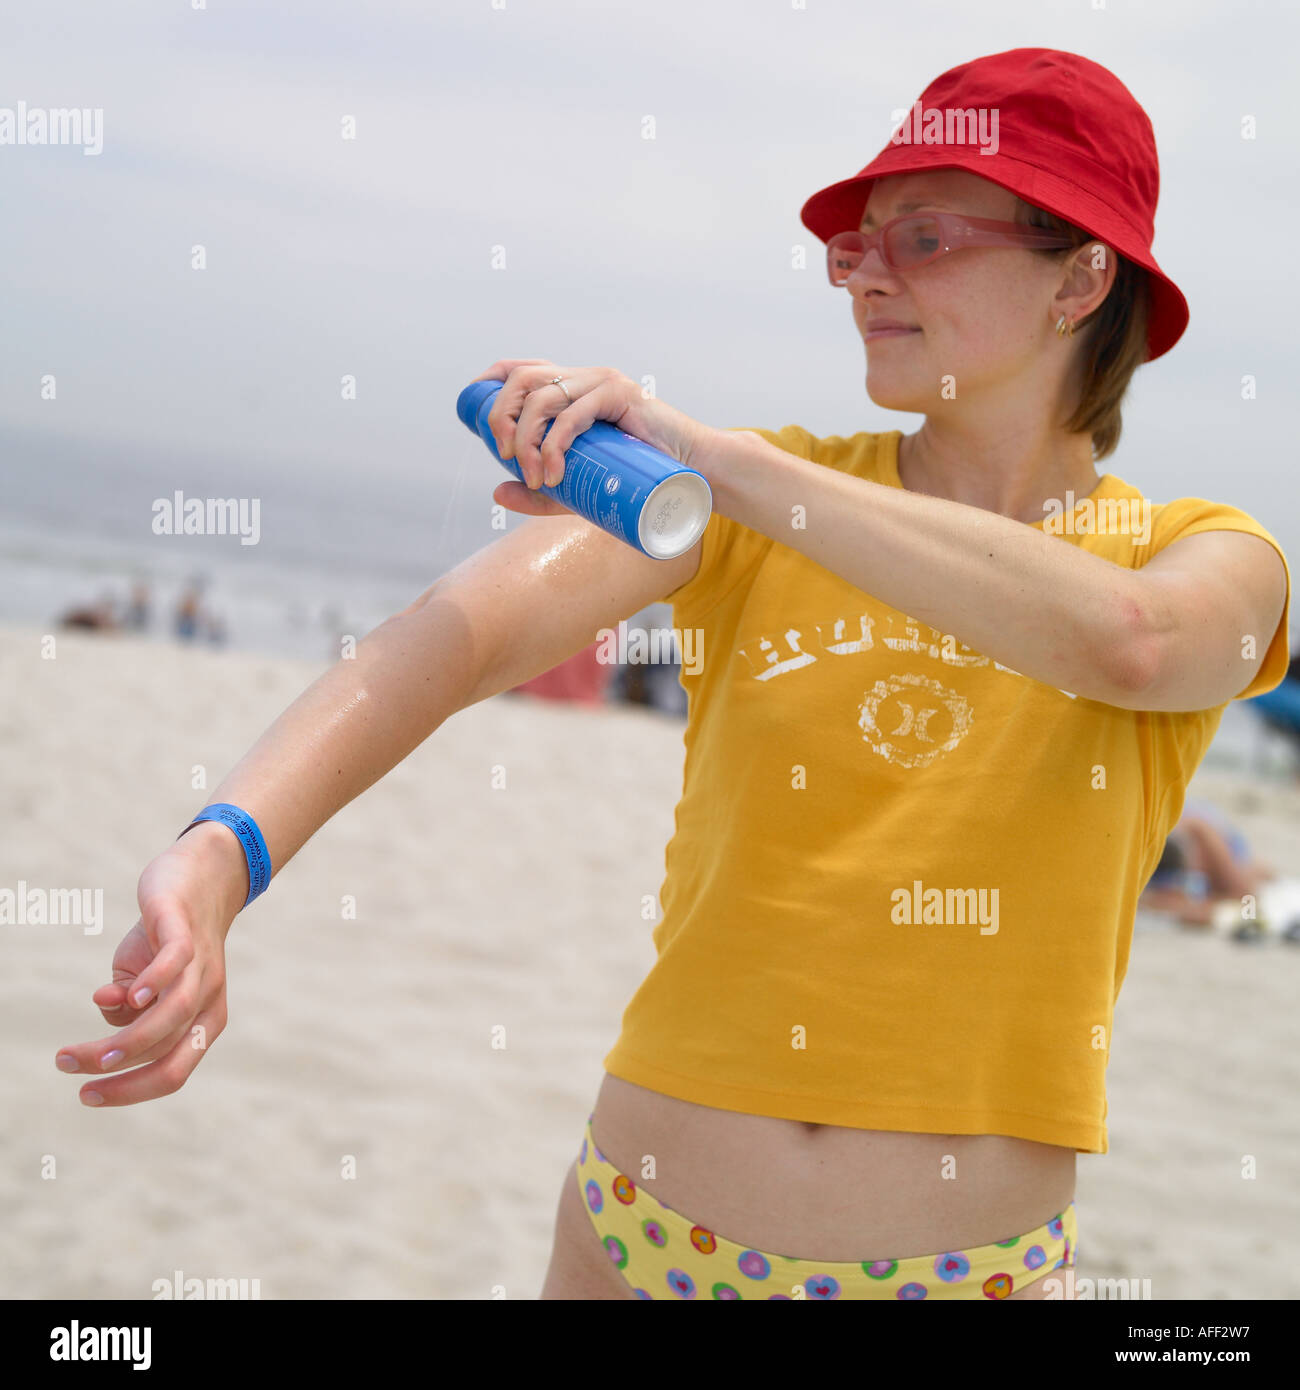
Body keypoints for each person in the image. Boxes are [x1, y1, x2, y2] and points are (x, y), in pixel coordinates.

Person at [54, 48, 1291, 1302]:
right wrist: (223, 852)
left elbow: (1134, 642)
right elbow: (456, 639)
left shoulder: (1205, 555)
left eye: (917, 238)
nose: (863, 276)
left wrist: (719, 458)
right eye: (853, 247)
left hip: (968, 1274)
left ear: (1081, 276)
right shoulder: (733, 506)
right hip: (643, 1237)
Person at [1141, 798, 1276, 928]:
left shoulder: (1199, 831)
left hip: (1214, 842)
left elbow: (1246, 899)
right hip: (1165, 856)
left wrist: (1209, 908)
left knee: (1243, 881)